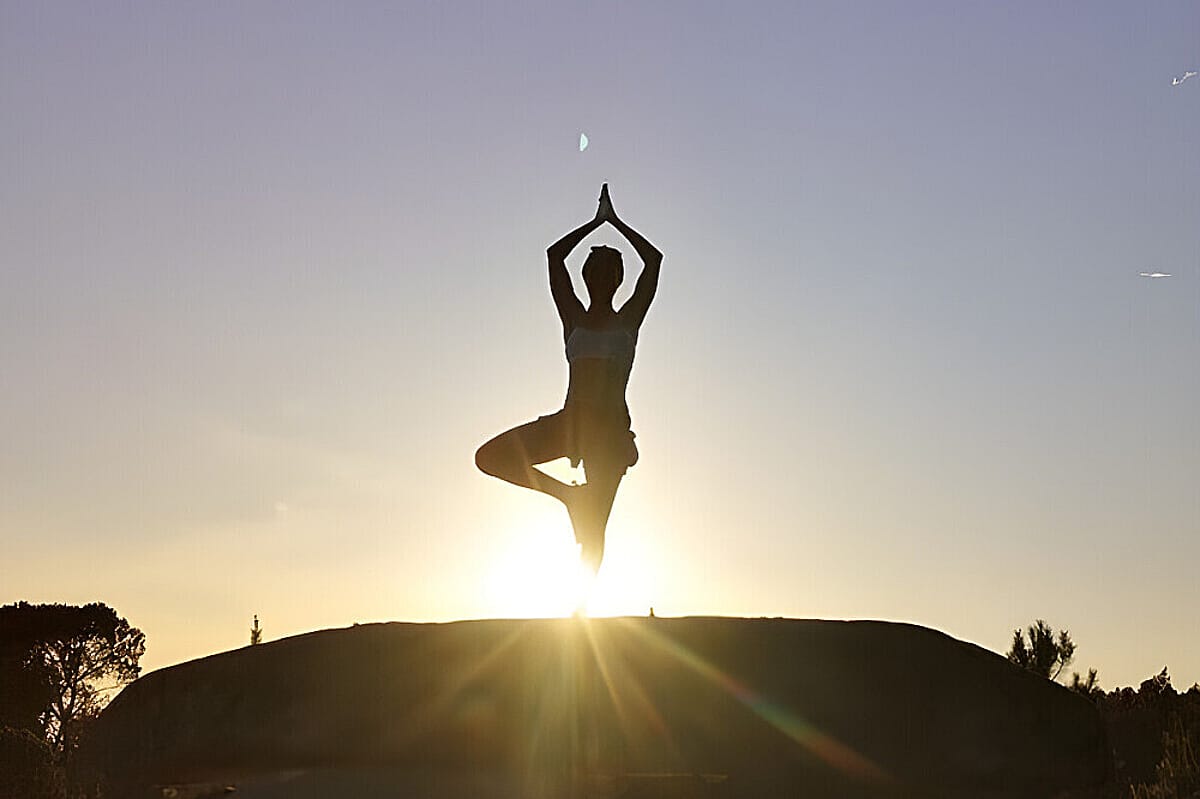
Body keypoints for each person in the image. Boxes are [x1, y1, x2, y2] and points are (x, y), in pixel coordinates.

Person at [475, 184, 662, 572]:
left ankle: (581, 616)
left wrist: (616, 222)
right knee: (489, 457)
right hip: (571, 423)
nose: (601, 275)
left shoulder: (628, 321)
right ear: (586, 276)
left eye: (609, 271)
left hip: (609, 434)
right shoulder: (573, 318)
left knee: (595, 532)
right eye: (595, 270)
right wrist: (595, 224)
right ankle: (569, 498)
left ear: (618, 280)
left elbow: (654, 261)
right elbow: (554, 256)